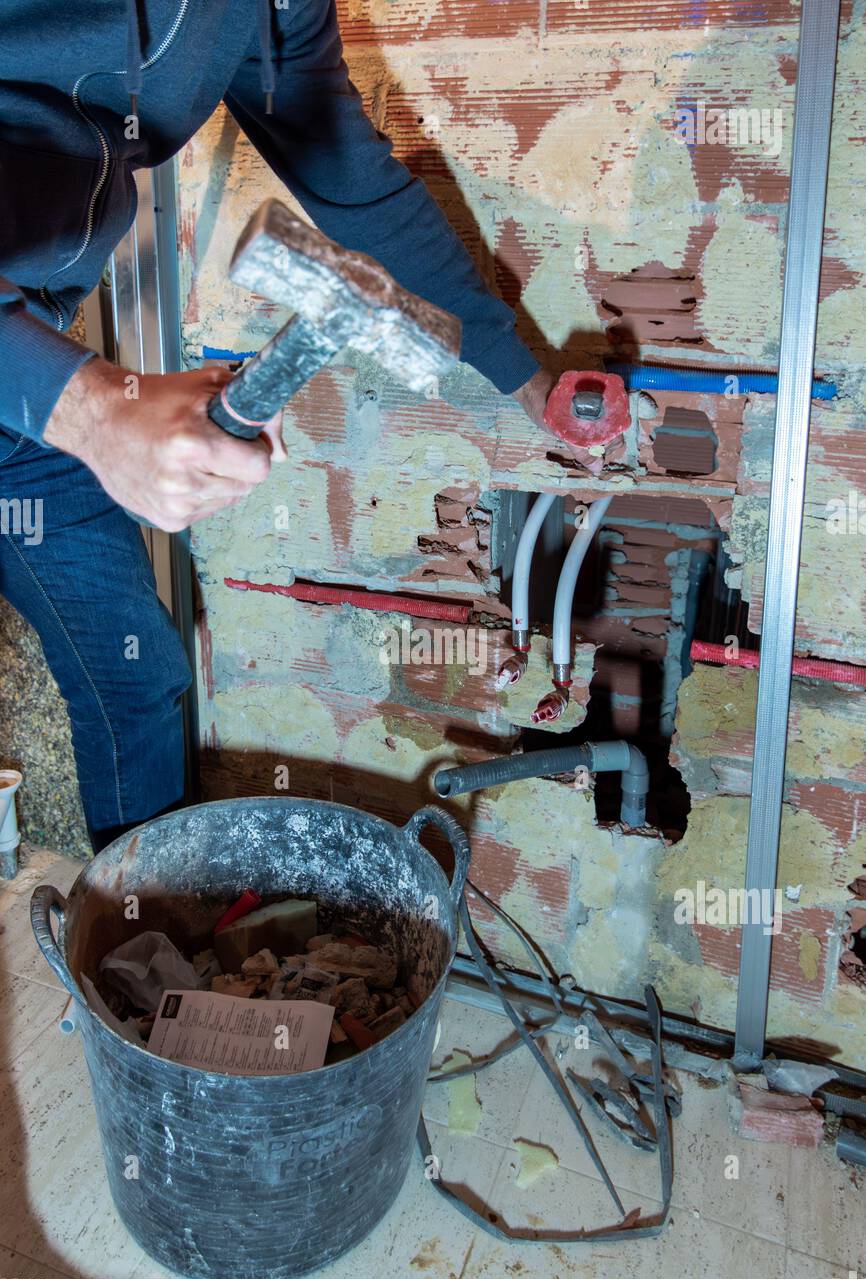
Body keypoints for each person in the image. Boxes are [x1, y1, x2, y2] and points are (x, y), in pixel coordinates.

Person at [0, 0, 552, 850]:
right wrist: (86, 408)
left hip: (20, 380)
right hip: (37, 384)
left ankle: (139, 942)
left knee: (132, 669)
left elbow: (347, 170)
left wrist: (532, 386)